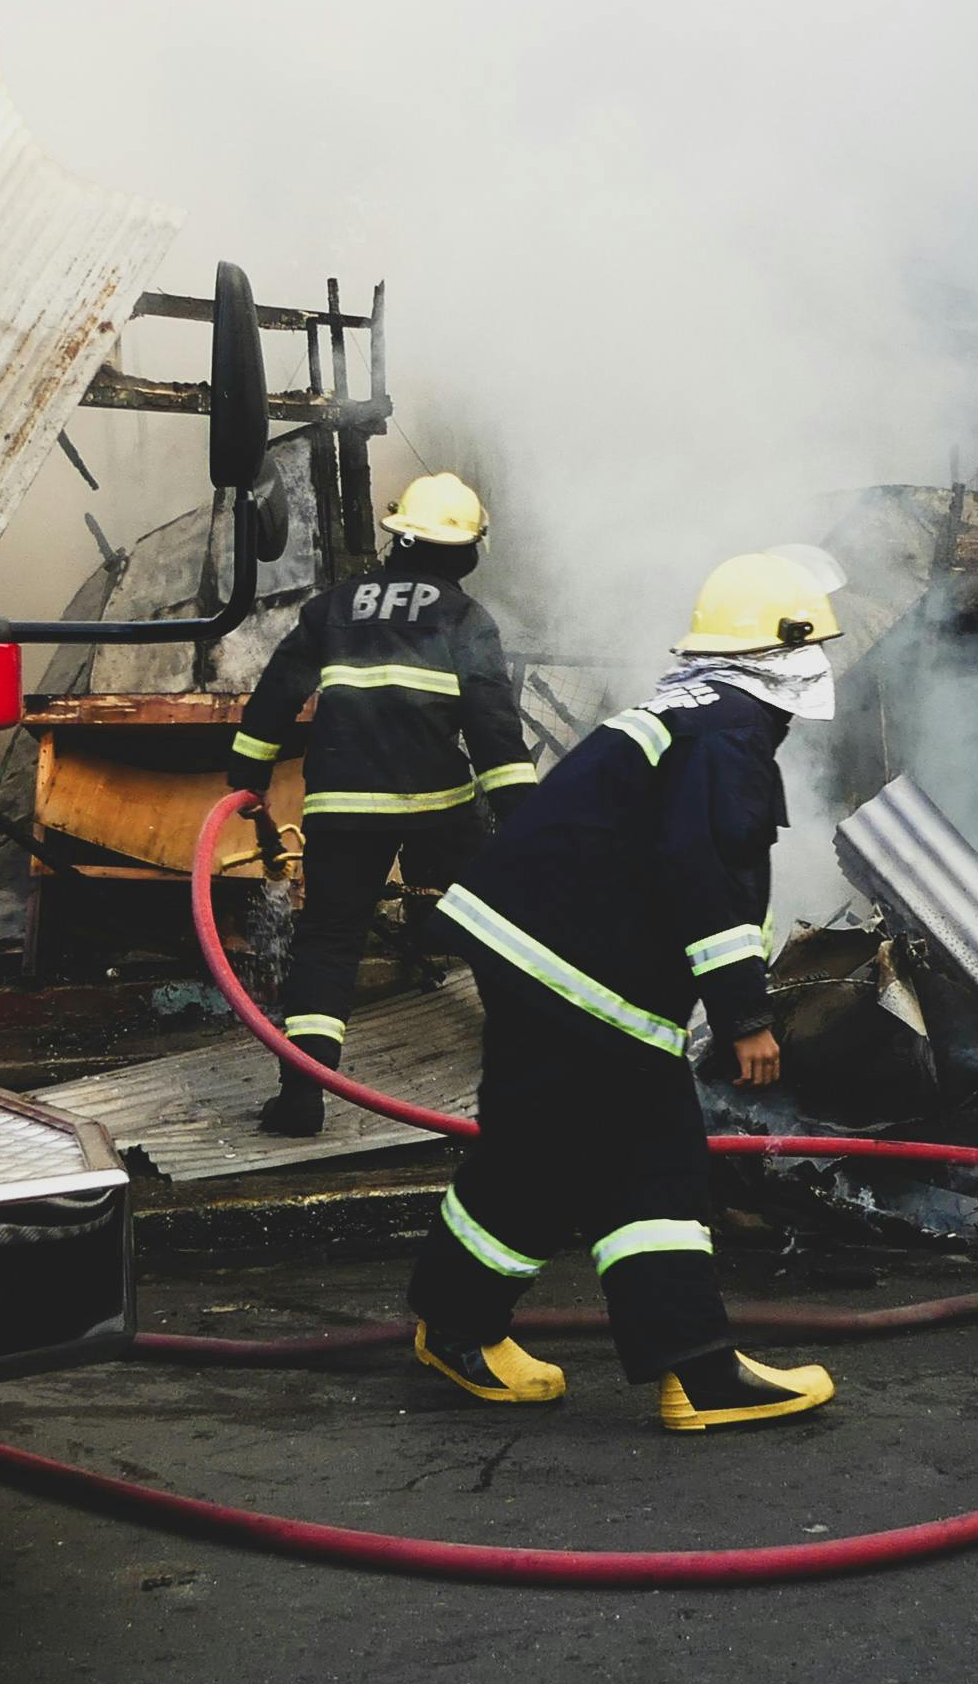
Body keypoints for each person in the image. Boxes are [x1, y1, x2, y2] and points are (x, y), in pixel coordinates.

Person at [402, 548, 846, 1432]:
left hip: (531, 947)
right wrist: (745, 1013)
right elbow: (703, 869)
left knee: (539, 1146)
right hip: (579, 970)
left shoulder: (692, 706)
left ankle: (455, 1326)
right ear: (783, 653)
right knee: (655, 1152)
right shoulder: (729, 730)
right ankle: (697, 1372)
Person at [234, 471, 535, 1135]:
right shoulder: (464, 617)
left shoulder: (332, 608)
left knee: (330, 945)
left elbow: (275, 699)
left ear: (397, 537)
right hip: (440, 802)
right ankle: (531, 1078)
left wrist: (247, 777)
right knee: (492, 928)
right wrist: (527, 822)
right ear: (465, 552)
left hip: (343, 805)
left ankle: (303, 1098)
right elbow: (494, 733)